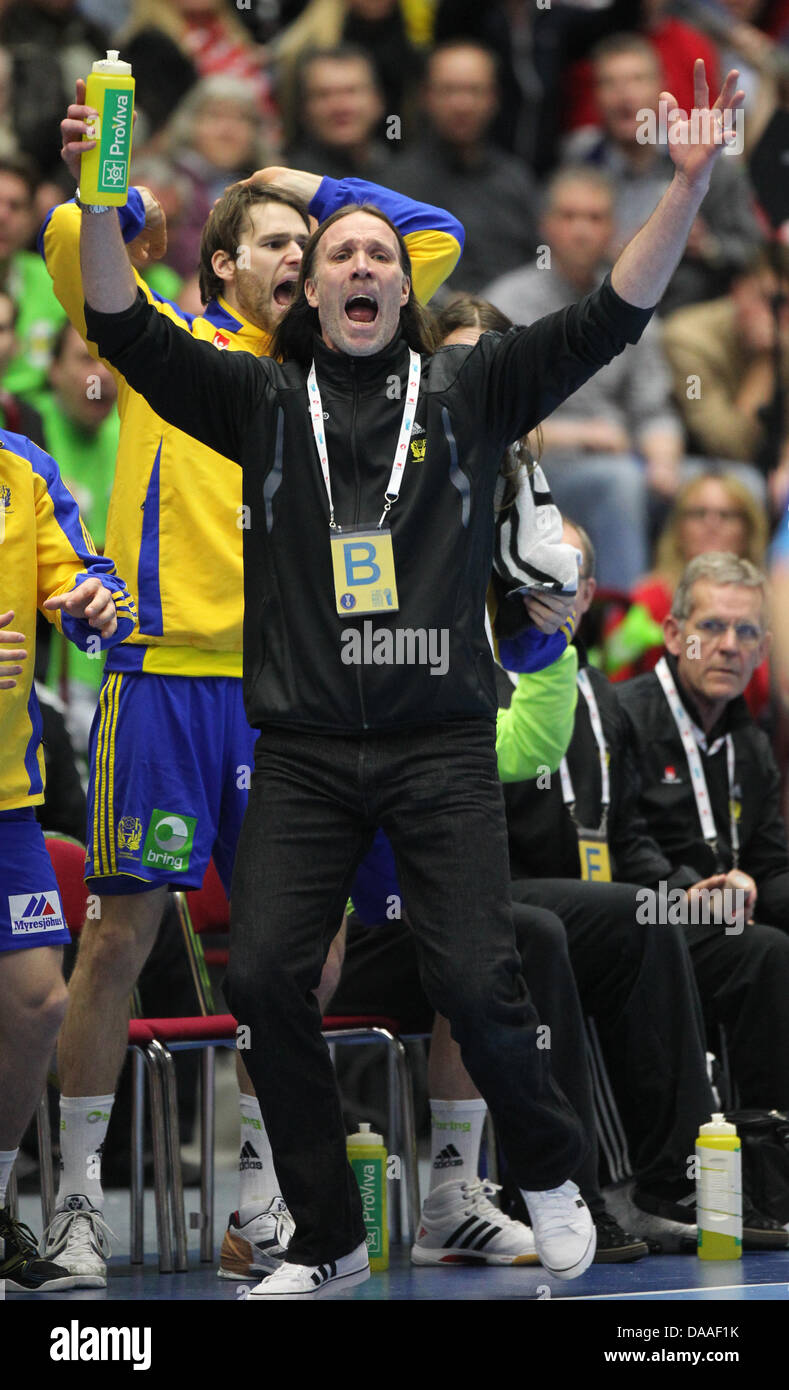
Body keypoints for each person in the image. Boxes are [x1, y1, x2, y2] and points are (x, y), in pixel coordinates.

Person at [76, 60, 744, 1297]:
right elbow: (118, 324)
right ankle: (325, 1239)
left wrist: (692, 179)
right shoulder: (261, 397)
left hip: (440, 743)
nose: (366, 265)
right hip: (307, 753)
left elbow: (615, 312)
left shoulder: (474, 386)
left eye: (383, 250)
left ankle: (543, 1173)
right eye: (341, 254)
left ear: (407, 283)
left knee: (480, 981)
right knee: (266, 976)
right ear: (307, 287)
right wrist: (104, 186)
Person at [41, 86, 465, 1288]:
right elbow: (79, 248)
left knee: (304, 949)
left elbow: (435, 238)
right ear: (219, 262)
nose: (303, 254)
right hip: (168, 675)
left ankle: (269, 1199)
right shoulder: (164, 341)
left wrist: (320, 202)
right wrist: (105, 181)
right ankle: (73, 1201)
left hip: (294, 695)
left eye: (314, 242)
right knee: (120, 934)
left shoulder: (339, 366)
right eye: (274, 239)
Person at [494, 521, 786, 1251]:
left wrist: (675, 890)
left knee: (750, 947)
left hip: (611, 903)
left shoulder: (597, 695)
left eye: (564, 580)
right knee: (583, 928)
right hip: (500, 900)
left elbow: (624, 835)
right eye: (710, 627)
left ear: (589, 595)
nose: (725, 646)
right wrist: (676, 889)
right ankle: (571, 1186)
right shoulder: (484, 677)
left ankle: (697, 1176)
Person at [0, 430, 135, 1292]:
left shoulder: (22, 465)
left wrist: (91, 604)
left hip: (6, 794)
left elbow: (87, 584)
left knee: (37, 1004)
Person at [617, 552, 789, 1119]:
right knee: (765, 952)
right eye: (711, 627)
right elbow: (620, 840)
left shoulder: (751, 740)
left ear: (762, 651)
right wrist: (691, 889)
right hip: (649, 920)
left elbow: (771, 863)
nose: (729, 645)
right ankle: (769, 1146)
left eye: (745, 632)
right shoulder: (626, 716)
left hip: (728, 920)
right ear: (673, 634)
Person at [483, 164, 684, 588]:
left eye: (594, 218)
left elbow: (653, 408)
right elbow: (488, 416)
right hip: (536, 465)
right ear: (546, 225)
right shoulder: (509, 301)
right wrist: (582, 434)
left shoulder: (633, 297)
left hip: (621, 454)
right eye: (569, 216)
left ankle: (697, 623)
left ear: (612, 228)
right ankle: (622, 627)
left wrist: (664, 456)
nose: (581, 230)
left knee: (727, 487)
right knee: (620, 482)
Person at [566, 34, 760, 316]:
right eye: (610, 83)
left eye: (637, 79)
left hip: (686, 316)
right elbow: (548, 248)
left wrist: (708, 247)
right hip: (598, 313)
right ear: (594, 95)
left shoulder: (707, 163)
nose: (624, 95)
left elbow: (754, 252)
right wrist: (596, 248)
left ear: (662, 86)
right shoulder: (578, 161)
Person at [604, 472, 770, 720]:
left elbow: (766, 694)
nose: (711, 523)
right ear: (679, 528)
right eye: (698, 513)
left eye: (726, 515)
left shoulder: (768, 602)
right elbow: (612, 685)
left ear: (747, 530)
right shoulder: (646, 601)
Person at [393, 40, 538, 294]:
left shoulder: (517, 180)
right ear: (426, 96)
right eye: (449, 90)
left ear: (494, 98)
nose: (462, 104)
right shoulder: (396, 185)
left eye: (474, 90)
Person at [661, 247, 789, 509]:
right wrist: (765, 362)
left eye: (786, 304)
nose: (777, 315)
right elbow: (728, 445)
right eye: (766, 299)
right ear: (738, 291)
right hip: (695, 458)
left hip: (772, 462)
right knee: (745, 485)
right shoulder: (688, 340)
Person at [283, 46, 396, 183]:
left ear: (378, 101)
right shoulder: (286, 184)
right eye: (324, 94)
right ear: (303, 108)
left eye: (351, 91)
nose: (340, 107)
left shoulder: (407, 178)